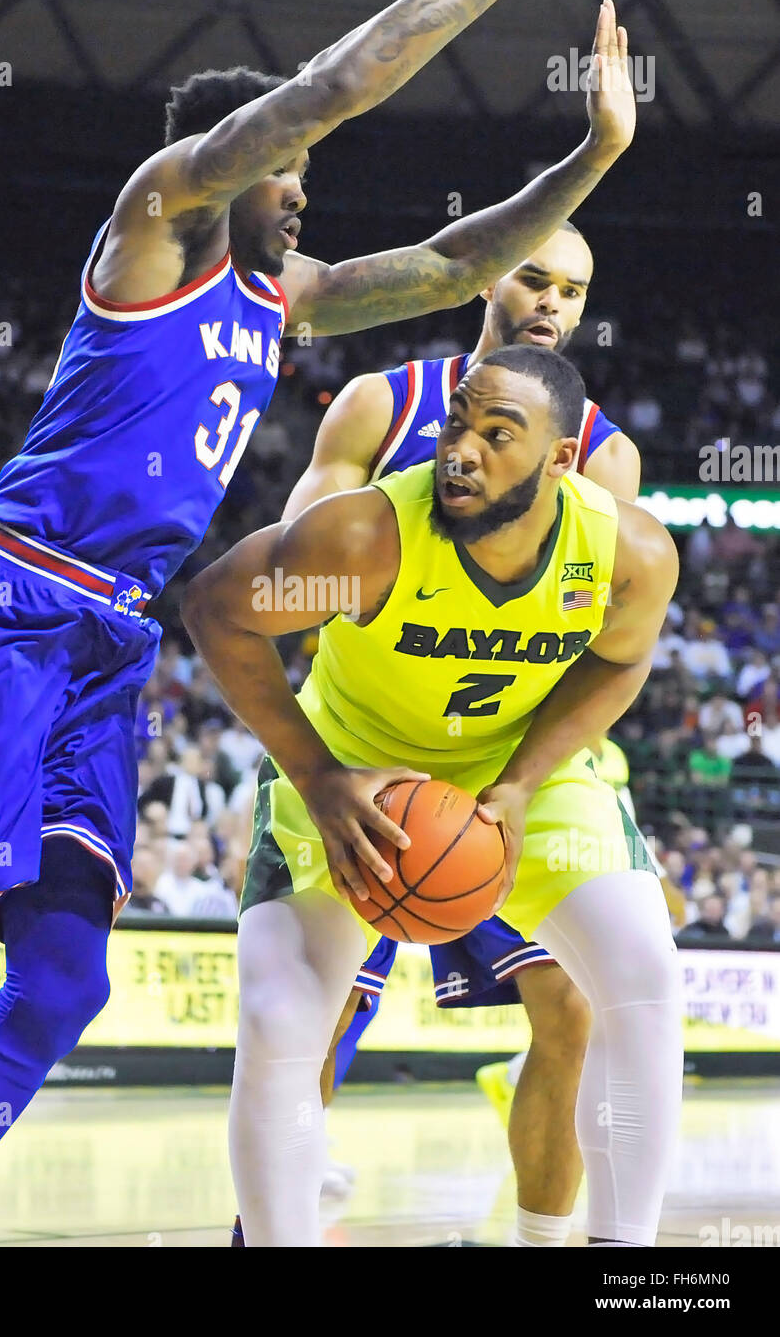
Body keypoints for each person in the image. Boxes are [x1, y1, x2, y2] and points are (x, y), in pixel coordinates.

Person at [0, 0, 635, 1246]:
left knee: (60, 978)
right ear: (226, 157)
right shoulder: (155, 225)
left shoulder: (282, 298)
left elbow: (443, 263)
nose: (302, 197)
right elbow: (329, 85)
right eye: (288, 173)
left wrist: (592, 156)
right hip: (11, 600)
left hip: (107, 638)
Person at [183, 346, 682, 1248]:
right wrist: (318, 777)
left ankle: (625, 1264)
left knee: (642, 977)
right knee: (279, 1017)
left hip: (515, 765)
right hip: (347, 765)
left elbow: (620, 660)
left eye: (498, 435)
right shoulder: (367, 536)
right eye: (458, 424)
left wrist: (526, 779)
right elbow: (216, 607)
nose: (461, 451)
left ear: (561, 460)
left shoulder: (626, 554)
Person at [282, 219, 641, 1244]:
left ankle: (543, 1243)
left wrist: (522, 773)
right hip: (372, 746)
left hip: (503, 764)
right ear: (486, 277)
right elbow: (300, 584)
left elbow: (605, 643)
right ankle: (278, 1207)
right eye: (532, 278)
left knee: (572, 1002)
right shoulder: (378, 405)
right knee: (316, 1009)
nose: (550, 304)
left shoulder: (602, 458)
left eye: (571, 291)